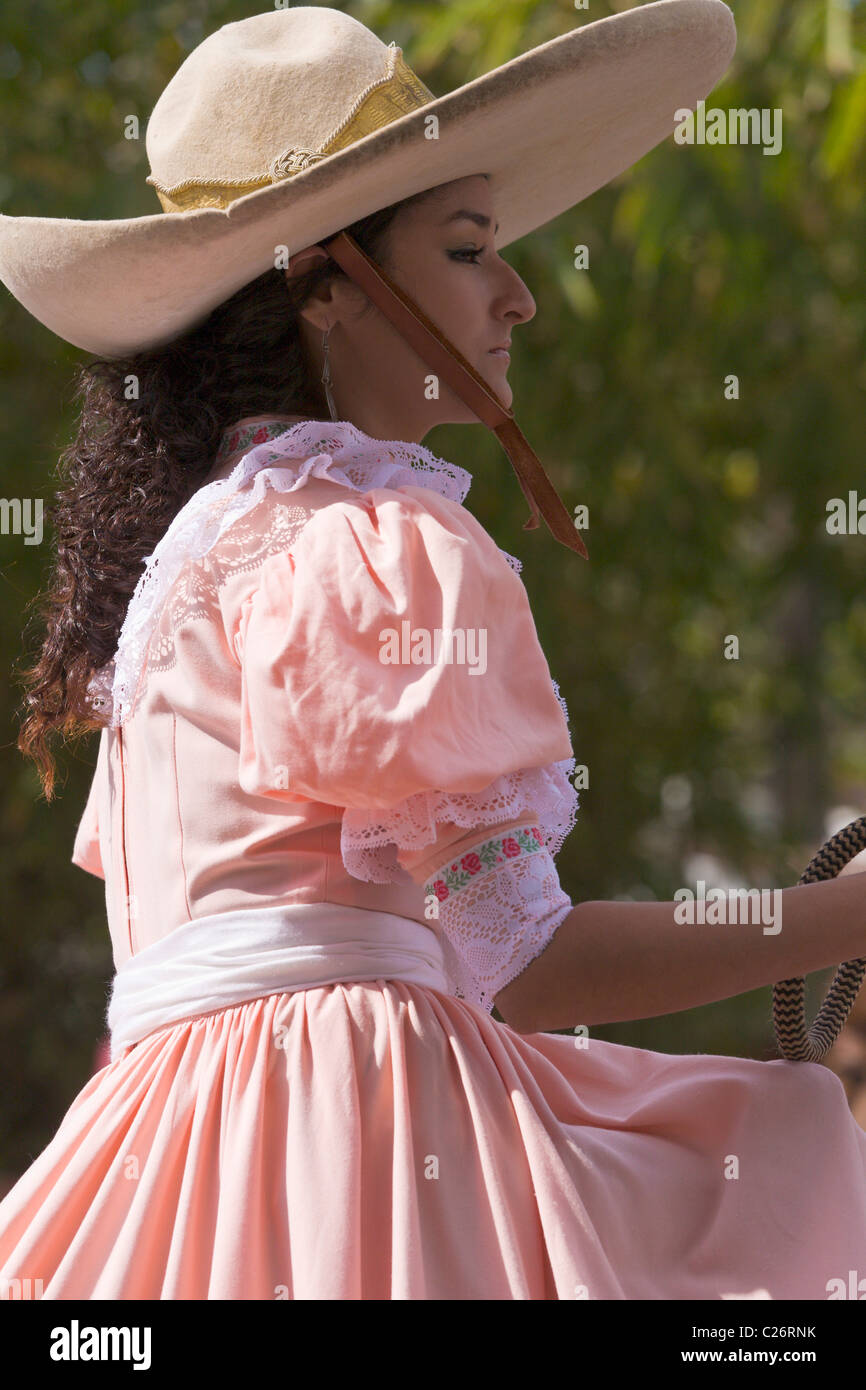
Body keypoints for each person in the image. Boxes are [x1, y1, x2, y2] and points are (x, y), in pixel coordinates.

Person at [1, 3, 865, 1301]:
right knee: (764, 1186)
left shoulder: (192, 564)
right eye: (468, 250)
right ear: (330, 285)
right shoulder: (375, 545)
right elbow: (532, 963)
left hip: (167, 1165)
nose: (516, 293)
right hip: (367, 1133)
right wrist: (842, 917)